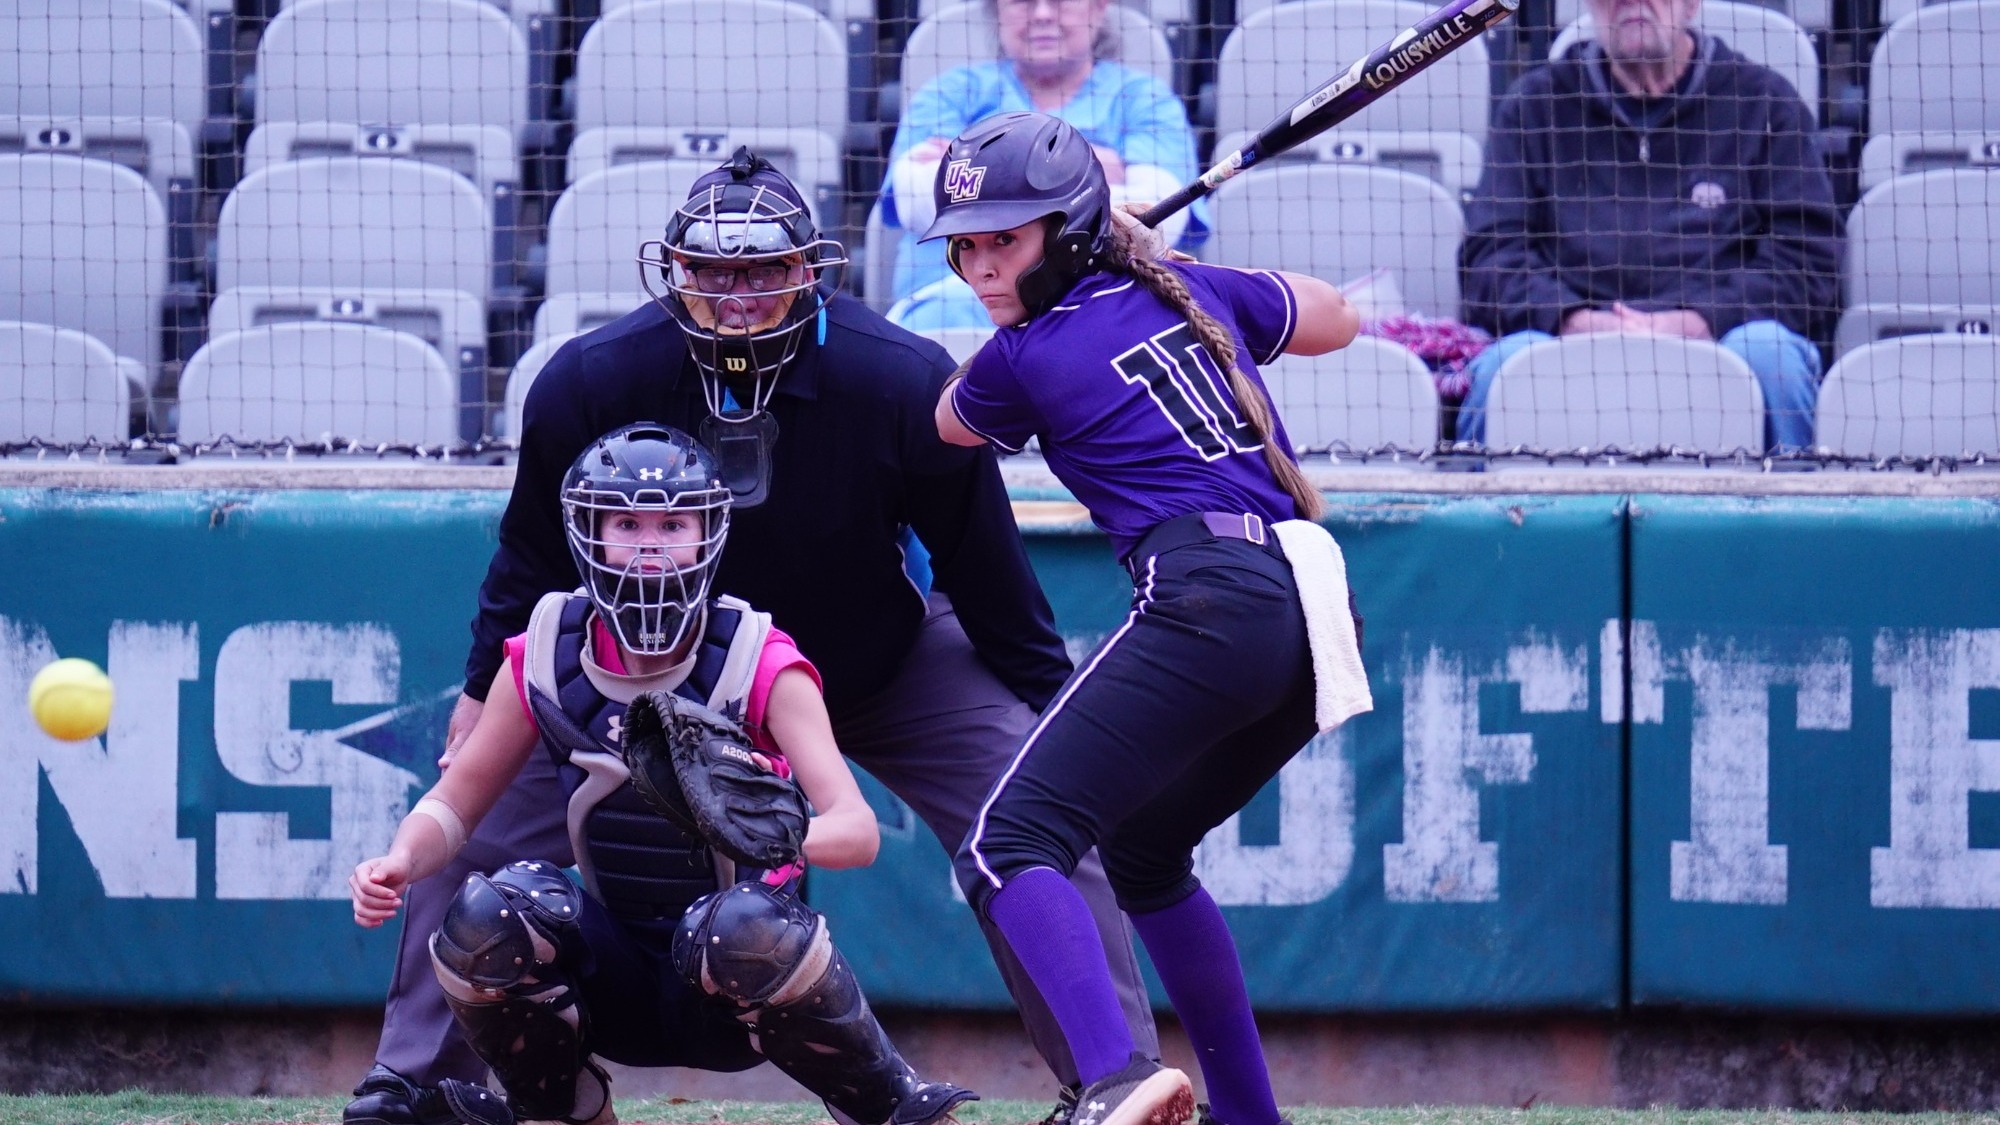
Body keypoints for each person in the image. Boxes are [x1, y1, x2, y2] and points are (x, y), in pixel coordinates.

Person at [343, 148, 1159, 1125]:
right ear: (675, 270)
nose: (736, 298)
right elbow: (527, 564)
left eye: (762, 273)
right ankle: (410, 1089)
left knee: (1035, 827)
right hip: (639, 680)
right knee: (464, 820)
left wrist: (1047, 728)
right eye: (714, 274)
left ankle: (1113, 1084)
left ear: (809, 270)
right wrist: (481, 703)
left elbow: (986, 571)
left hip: (873, 662)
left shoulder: (899, 380)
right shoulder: (590, 380)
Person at [924, 112, 1372, 1125]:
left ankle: (1114, 1081)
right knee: (1142, 854)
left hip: (1210, 590)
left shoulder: (1023, 356)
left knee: (1006, 844)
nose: (982, 269)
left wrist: (1100, 255)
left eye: (1008, 239)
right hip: (1311, 605)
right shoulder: (1192, 291)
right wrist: (1132, 253)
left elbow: (949, 420)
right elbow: (1334, 315)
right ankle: (1248, 1118)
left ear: (1068, 228)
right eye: (968, 246)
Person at [349, 424, 977, 1125]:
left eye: (673, 523)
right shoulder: (544, 652)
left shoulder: (754, 655)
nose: (650, 545)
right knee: (489, 908)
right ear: (587, 531)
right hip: (613, 976)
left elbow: (858, 831)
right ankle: (565, 1109)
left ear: (709, 532)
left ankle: (886, 1102)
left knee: (741, 920)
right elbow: (454, 805)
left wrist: (772, 840)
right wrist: (400, 859)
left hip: (733, 980)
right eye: (626, 523)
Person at [1455, 0, 1842, 452]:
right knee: (1505, 364)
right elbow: (1490, 253)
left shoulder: (1763, 102)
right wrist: (1574, 321)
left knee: (1771, 355)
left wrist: (1699, 321)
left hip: (1721, 337)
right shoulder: (1535, 105)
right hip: (1570, 338)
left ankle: (1791, 519)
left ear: (1693, 4)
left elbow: (1810, 257)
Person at [879, 0, 1202, 330]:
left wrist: (984, 167)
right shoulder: (951, 91)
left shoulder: (1144, 97)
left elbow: (1159, 217)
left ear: (1098, 7)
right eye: (1023, 1)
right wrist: (1089, 167)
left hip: (1097, 311)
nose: (1043, 14)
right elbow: (916, 199)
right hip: (949, 313)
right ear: (998, 11)